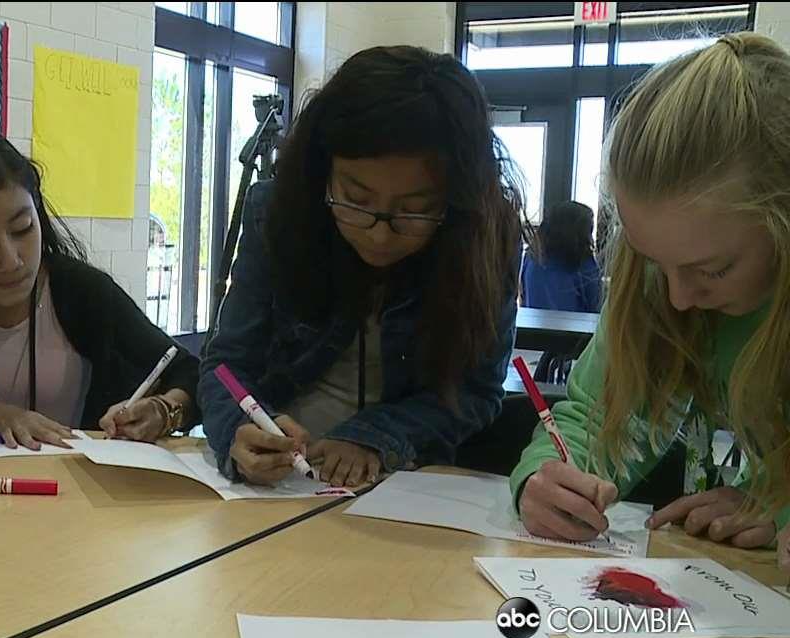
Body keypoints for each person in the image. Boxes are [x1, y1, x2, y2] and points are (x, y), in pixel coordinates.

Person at [510, 33, 790, 554]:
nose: (680, 298)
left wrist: (776, 501)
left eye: (714, 270)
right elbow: (599, 415)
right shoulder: (659, 288)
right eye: (656, 263)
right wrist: (546, 480)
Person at [198, 46, 524, 489]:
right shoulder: (278, 214)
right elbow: (227, 364)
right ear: (322, 171)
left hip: (409, 487)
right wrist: (241, 431)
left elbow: (476, 393)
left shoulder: (487, 237)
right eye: (355, 200)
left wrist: (375, 437)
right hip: (277, 486)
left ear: (458, 198)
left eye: (414, 211)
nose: (379, 234)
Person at [0, 122, 199, 449]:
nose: (11, 261)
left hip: (75, 488)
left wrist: (164, 410)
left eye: (22, 228)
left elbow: (190, 373)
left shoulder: (82, 291)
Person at [521, 201, 603, 312]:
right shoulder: (583, 264)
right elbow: (596, 307)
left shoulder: (532, 257)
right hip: (574, 328)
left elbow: (523, 297)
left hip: (530, 327)